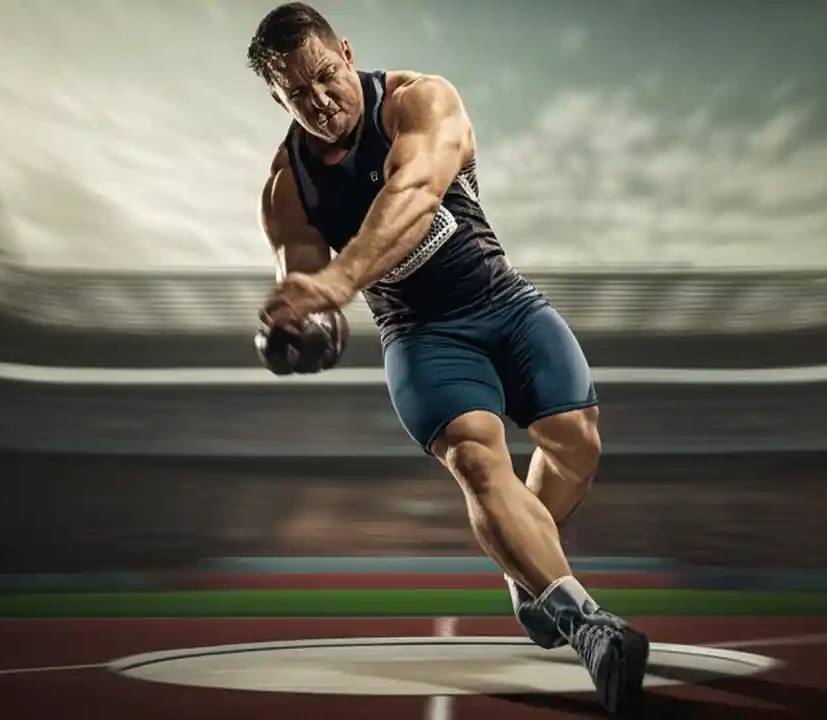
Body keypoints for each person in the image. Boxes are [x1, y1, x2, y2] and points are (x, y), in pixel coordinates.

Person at [248, 3, 648, 713]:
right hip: (421, 336)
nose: (320, 102)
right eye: (297, 94)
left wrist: (340, 282)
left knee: (577, 444)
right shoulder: (287, 189)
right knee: (475, 454)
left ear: (346, 51)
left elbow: (415, 194)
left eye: (327, 77)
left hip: (503, 302)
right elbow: (307, 283)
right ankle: (585, 621)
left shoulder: (421, 99)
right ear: (275, 99)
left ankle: (528, 575)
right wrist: (303, 321)